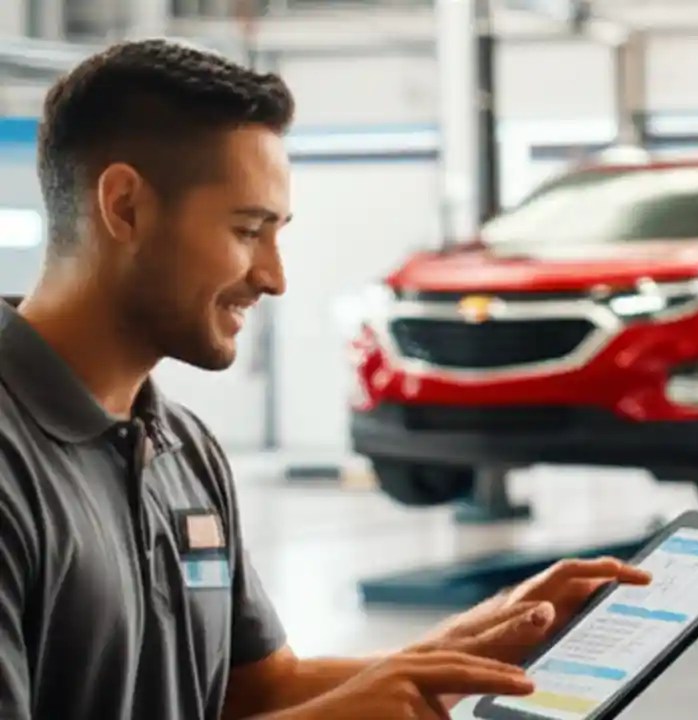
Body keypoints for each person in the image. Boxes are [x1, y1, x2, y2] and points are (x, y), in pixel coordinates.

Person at [0, 39, 649, 720]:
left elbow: (257, 691)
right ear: (126, 207)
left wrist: (482, 642)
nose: (274, 277)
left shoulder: (180, 450)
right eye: (249, 230)